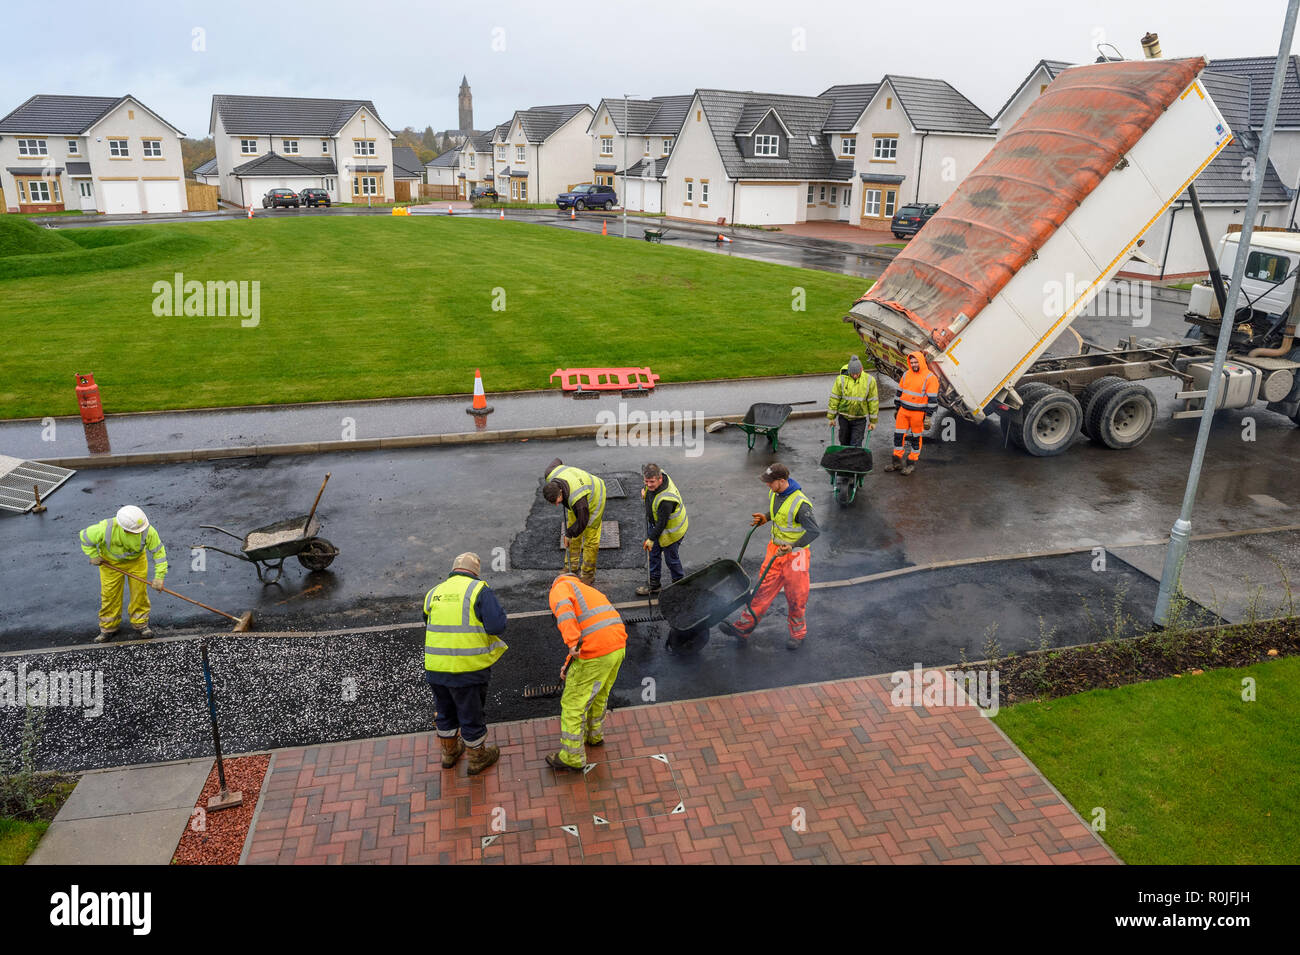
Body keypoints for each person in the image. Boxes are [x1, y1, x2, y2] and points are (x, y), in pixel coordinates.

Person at [422, 552, 508, 775]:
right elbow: (497, 626)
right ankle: (478, 758)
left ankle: (449, 753)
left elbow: (427, 620)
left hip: (436, 668)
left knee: (445, 712)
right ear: (475, 573)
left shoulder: (434, 592)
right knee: (471, 715)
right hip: (468, 669)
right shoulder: (479, 590)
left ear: (453, 571)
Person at [718, 463, 819, 650]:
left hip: (795, 556)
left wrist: (792, 546)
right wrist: (766, 517)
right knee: (761, 591)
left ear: (781, 481)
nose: (767, 486)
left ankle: (798, 634)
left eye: (770, 482)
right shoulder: (775, 493)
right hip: (775, 551)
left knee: (796, 597)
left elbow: (814, 531)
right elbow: (778, 514)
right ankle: (742, 629)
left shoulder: (801, 504)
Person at [545, 572, 628, 772]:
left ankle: (572, 758)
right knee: (599, 695)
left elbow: (565, 613)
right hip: (617, 647)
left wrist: (571, 642)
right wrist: (568, 663)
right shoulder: (588, 591)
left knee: (573, 704)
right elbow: (590, 631)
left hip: (595, 653)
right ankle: (595, 736)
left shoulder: (561, 588)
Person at [79, 505, 168, 642]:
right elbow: (85, 537)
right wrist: (93, 555)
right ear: (124, 528)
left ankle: (140, 624)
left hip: (136, 562)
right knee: (110, 595)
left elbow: (159, 553)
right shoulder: (105, 528)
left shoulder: (147, 530)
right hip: (110, 564)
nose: (139, 532)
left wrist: (159, 577)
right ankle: (109, 628)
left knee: (139, 593)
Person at [542, 458, 607, 585]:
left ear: (560, 492)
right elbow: (557, 460)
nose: (556, 505)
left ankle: (588, 574)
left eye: (557, 501)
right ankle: (571, 566)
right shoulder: (550, 474)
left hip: (594, 496)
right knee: (573, 531)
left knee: (590, 538)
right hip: (575, 495)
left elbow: (583, 521)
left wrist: (568, 534)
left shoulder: (578, 501)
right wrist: (570, 533)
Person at [636, 463, 689, 596]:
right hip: (656, 526)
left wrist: (651, 539)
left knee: (671, 559)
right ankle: (654, 585)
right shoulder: (658, 476)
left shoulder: (666, 500)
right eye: (646, 481)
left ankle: (680, 585)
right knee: (653, 555)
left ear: (660, 479)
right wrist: (645, 494)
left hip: (671, 532)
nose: (648, 485)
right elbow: (649, 490)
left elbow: (662, 524)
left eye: (652, 482)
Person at [885, 350, 940, 476]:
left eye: (916, 362)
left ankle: (911, 463)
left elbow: (932, 400)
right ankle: (896, 462)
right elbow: (899, 393)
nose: (914, 364)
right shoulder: (906, 375)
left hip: (918, 413)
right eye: (912, 362)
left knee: (916, 438)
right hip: (903, 412)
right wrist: (897, 408)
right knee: (898, 437)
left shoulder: (930, 378)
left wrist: (928, 417)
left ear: (921, 362)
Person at [827, 354, 880, 449]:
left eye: (857, 373)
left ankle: (854, 462)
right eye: (852, 374)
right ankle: (845, 461)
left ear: (861, 369)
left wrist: (873, 421)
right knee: (844, 442)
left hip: (859, 419)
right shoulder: (841, 380)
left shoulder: (869, 380)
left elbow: (873, 401)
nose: (855, 376)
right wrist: (831, 417)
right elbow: (835, 398)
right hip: (844, 417)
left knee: (856, 444)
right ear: (849, 371)